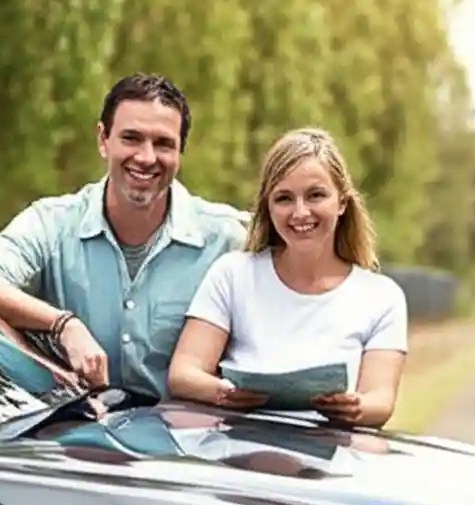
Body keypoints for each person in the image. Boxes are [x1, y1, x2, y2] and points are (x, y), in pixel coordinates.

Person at [0, 74, 248, 401]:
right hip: (75, 439)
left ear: (181, 152)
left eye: (163, 143)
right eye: (131, 138)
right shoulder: (53, 223)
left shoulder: (228, 238)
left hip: (187, 443)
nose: (147, 157)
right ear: (103, 140)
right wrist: (63, 325)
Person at [167, 127, 408, 427]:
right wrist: (222, 392)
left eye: (316, 195)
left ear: (342, 203)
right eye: (284, 198)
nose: (300, 212)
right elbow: (183, 372)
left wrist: (354, 407)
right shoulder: (232, 274)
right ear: (268, 207)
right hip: (238, 452)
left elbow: (380, 400)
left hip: (334, 458)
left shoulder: (381, 296)